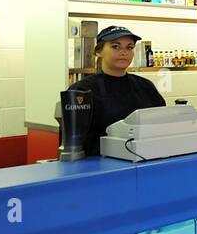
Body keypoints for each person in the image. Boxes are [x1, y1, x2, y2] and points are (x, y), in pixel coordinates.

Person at [64, 25, 165, 156]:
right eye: (115, 46)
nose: (124, 52)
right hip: (100, 164)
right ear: (99, 52)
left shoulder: (145, 86)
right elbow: (74, 142)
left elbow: (161, 124)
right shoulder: (82, 90)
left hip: (145, 159)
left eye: (129, 47)